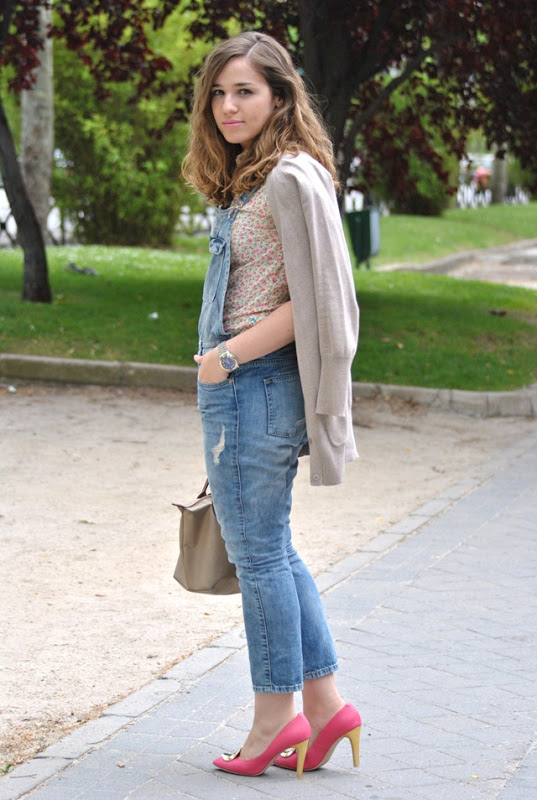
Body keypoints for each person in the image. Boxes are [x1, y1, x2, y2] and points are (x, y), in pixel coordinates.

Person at [181, 31, 361, 779]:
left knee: (257, 556)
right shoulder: (250, 177)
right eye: (218, 94)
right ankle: (326, 707)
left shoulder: (288, 178)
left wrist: (224, 359)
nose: (228, 106)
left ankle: (273, 720)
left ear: (281, 97)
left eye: (245, 92)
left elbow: (316, 303)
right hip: (244, 389)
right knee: (272, 549)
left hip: (253, 386)